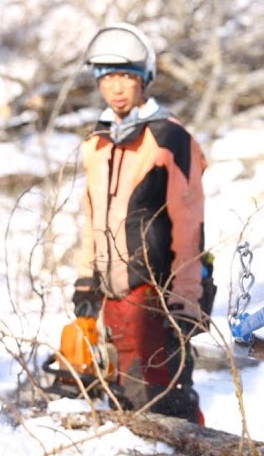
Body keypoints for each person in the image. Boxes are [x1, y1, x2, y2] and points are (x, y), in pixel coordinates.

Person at [72, 22, 210, 424]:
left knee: (163, 395)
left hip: (154, 292)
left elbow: (189, 224)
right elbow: (92, 218)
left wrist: (187, 299)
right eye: (109, 78)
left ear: (144, 79)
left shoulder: (169, 139)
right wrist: (85, 280)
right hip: (111, 291)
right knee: (122, 395)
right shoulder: (96, 143)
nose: (117, 88)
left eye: (127, 78)